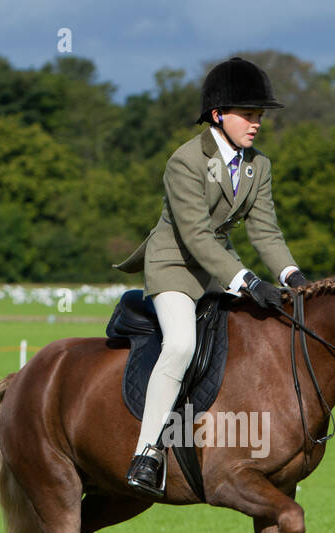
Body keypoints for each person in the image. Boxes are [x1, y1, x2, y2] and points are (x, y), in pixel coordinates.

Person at [113, 56, 309, 497]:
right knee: (181, 343)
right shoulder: (185, 161)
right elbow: (197, 236)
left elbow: (265, 230)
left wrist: (294, 277)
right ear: (219, 115)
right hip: (175, 268)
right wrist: (247, 281)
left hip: (219, 269)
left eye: (260, 116)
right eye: (248, 114)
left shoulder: (260, 166)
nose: (256, 124)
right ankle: (146, 453)